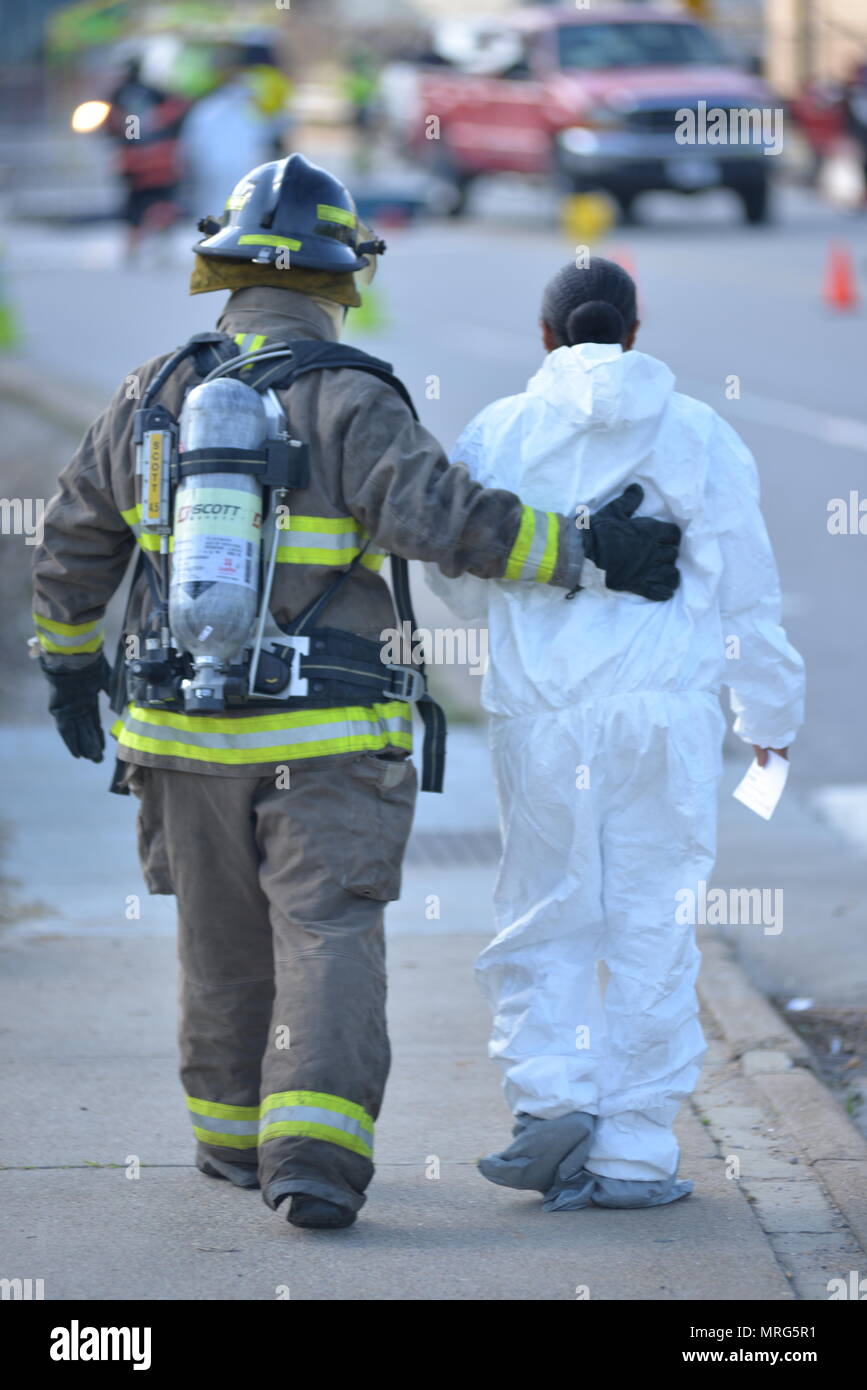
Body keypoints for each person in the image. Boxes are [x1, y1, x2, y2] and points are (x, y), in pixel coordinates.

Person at [30, 162, 681, 1231]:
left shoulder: (150, 392)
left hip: (177, 735)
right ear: (343, 278)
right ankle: (316, 1167)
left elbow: (71, 541)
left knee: (218, 936)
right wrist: (591, 552)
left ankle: (232, 1144)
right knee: (326, 930)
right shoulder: (352, 392)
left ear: (222, 270)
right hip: (326, 738)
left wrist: (66, 667)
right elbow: (447, 520)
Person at [425, 256, 805, 1211]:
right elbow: (745, 596)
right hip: (663, 714)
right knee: (652, 925)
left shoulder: (501, 430)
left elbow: (456, 574)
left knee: (545, 911)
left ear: (544, 336)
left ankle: (550, 1101)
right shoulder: (698, 432)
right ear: (634, 333)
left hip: (541, 718)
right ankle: (636, 1152)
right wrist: (768, 719)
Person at [104, 59, 189, 264]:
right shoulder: (155, 94)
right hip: (160, 160)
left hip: (138, 162)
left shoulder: (125, 96)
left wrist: (136, 143)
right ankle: (161, 247)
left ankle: (135, 248)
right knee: (162, 203)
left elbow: (130, 131)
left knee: (136, 205)